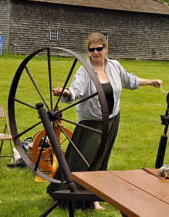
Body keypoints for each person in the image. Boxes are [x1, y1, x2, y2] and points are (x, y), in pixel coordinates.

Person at [47, 33, 162, 210]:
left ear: (105, 48)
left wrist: (151, 82)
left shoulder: (114, 66)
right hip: (91, 122)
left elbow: (129, 81)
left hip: (112, 120)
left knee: (102, 158)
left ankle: (95, 197)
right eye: (91, 49)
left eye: (98, 49)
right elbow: (75, 91)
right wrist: (65, 92)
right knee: (86, 159)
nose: (95, 52)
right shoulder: (84, 70)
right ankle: (73, 194)